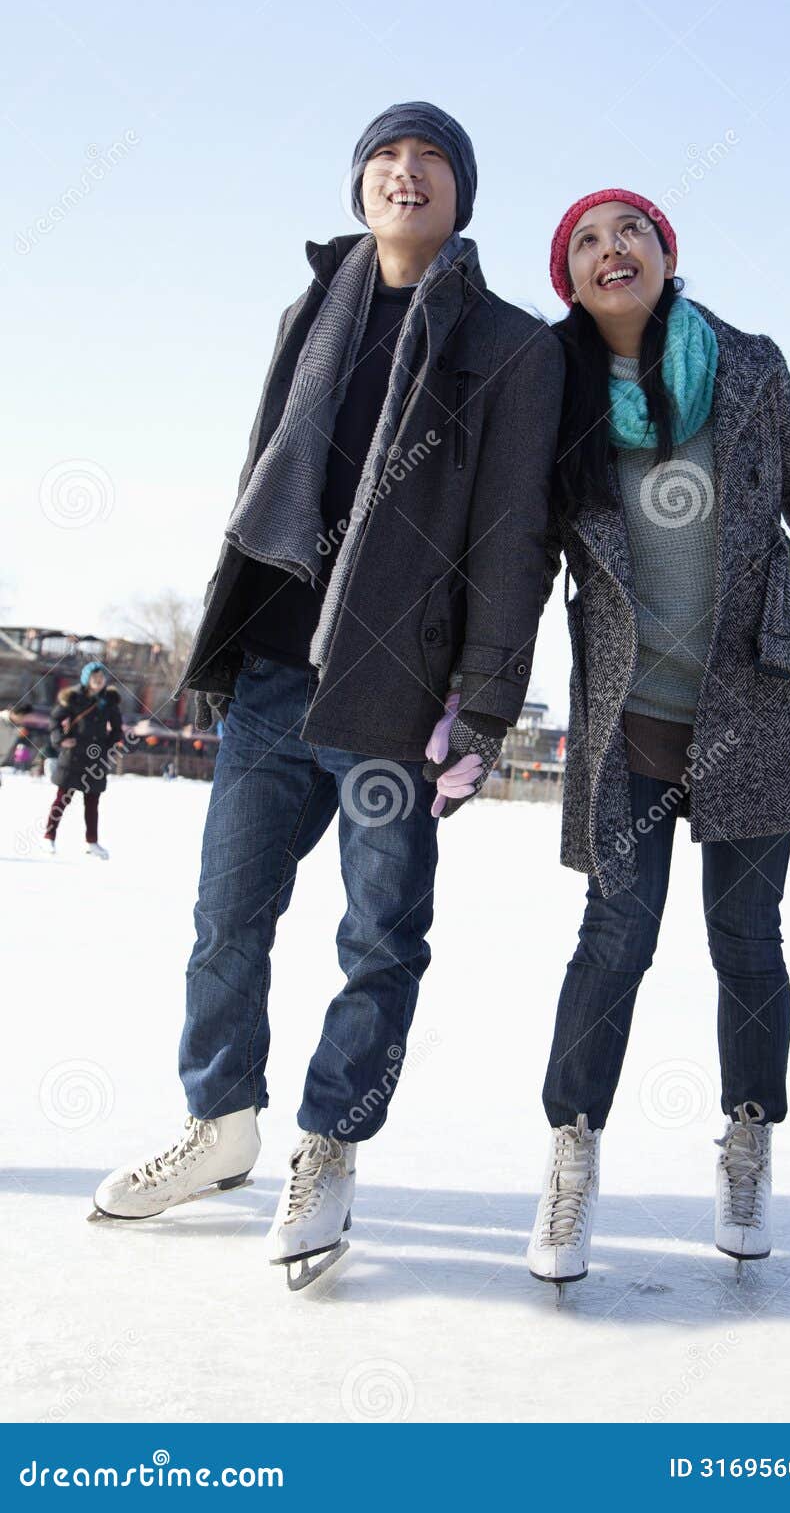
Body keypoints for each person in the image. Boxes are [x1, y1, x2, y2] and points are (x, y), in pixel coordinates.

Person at [93, 102, 565, 1285]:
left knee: (380, 937)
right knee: (226, 918)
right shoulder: (312, 311)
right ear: (359, 185)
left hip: (396, 695)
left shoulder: (513, 346)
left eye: (432, 160)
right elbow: (264, 478)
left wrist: (484, 704)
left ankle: (331, 1143)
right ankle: (221, 1123)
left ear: (461, 194)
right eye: (385, 159)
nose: (406, 174)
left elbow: (517, 539)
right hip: (270, 670)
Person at [523, 188, 790, 1283]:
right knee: (614, 938)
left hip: (752, 706)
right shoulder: (552, 388)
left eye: (632, 231)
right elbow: (516, 554)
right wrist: (474, 700)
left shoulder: (749, 368)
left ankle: (748, 1138)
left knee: (748, 941)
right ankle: (573, 1148)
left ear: (667, 253)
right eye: (586, 241)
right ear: (569, 280)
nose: (612, 250)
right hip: (629, 717)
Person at [44, 662, 123, 858]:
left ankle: (92, 842)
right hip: (73, 756)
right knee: (62, 799)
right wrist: (61, 740)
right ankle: (49, 837)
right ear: (87, 679)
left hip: (96, 759)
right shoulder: (73, 698)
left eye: (101, 677)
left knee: (92, 803)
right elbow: (55, 721)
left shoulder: (109, 701)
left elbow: (117, 729)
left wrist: (107, 747)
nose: (99, 680)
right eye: (95, 677)